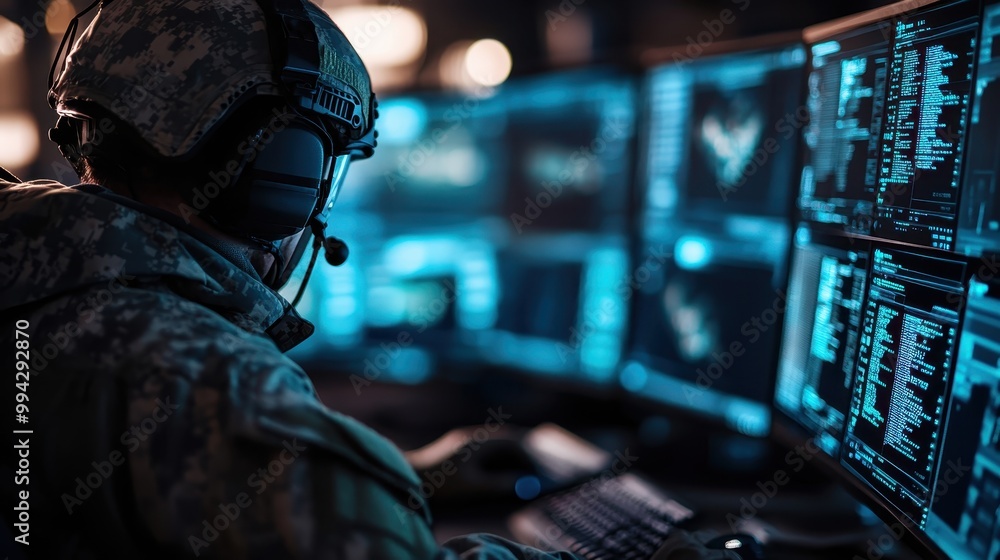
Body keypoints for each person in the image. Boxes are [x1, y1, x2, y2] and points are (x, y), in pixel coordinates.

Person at [0, 1, 737, 558]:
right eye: (321, 166)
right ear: (277, 173)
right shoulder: (197, 373)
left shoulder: (39, 269)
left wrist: (390, 472)